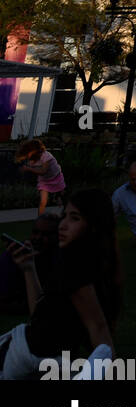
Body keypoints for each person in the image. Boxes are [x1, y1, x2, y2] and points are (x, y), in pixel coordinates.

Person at [1, 190, 119, 380]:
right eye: (64, 216)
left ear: (94, 225)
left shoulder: (78, 268)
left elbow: (98, 328)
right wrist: (29, 269)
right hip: (29, 351)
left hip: (36, 356)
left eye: (74, 218)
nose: (62, 225)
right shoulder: (76, 263)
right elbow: (40, 316)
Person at [0, 213, 60, 314]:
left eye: (46, 234)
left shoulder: (58, 259)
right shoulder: (17, 254)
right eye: (35, 232)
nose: (38, 237)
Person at [16, 139, 66, 216]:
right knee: (43, 201)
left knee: (62, 199)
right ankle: (40, 219)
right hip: (44, 181)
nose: (28, 155)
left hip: (56, 177)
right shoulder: (32, 160)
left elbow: (43, 171)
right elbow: (34, 168)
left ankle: (58, 198)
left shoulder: (46, 156)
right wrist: (24, 168)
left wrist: (28, 168)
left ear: (35, 150)